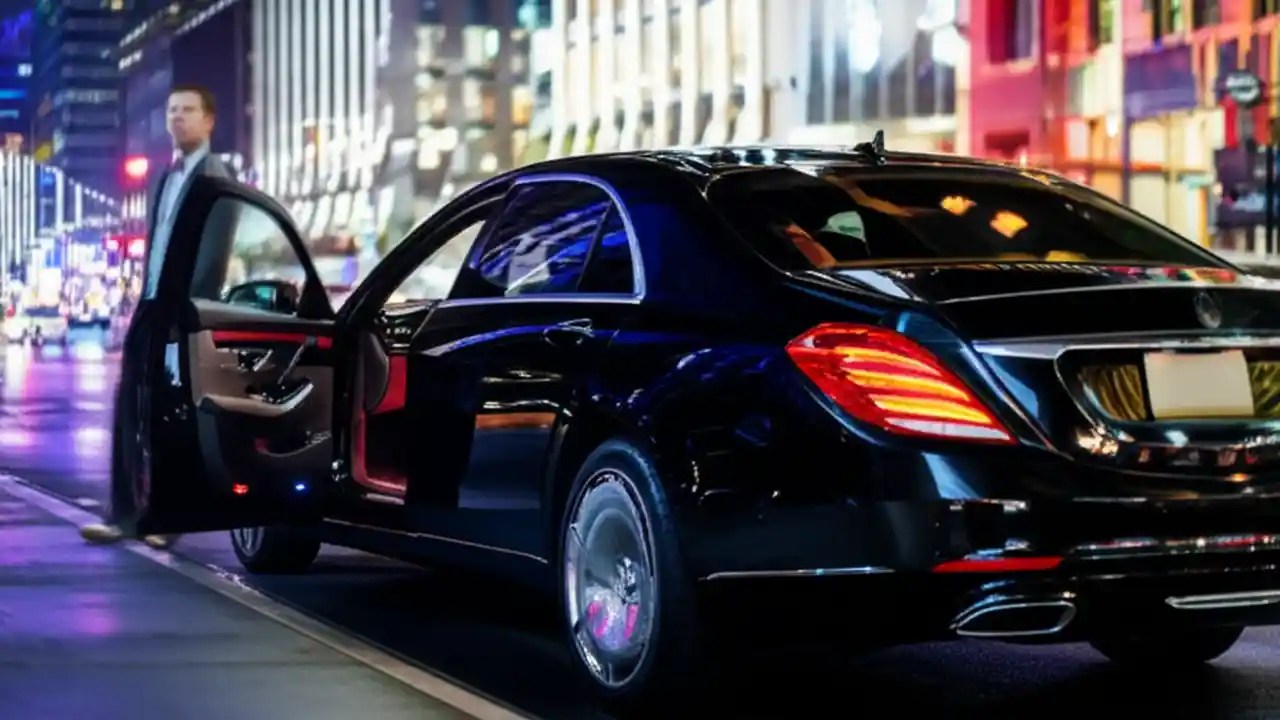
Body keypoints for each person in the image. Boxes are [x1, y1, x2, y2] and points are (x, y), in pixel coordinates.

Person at [80, 83, 236, 548]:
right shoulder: (166, 178)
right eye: (172, 110)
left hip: (184, 311)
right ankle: (123, 515)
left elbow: (215, 254)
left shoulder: (215, 177)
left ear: (209, 121)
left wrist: (190, 309)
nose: (177, 117)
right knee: (130, 407)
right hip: (151, 305)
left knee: (176, 417)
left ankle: (169, 519)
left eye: (188, 110)